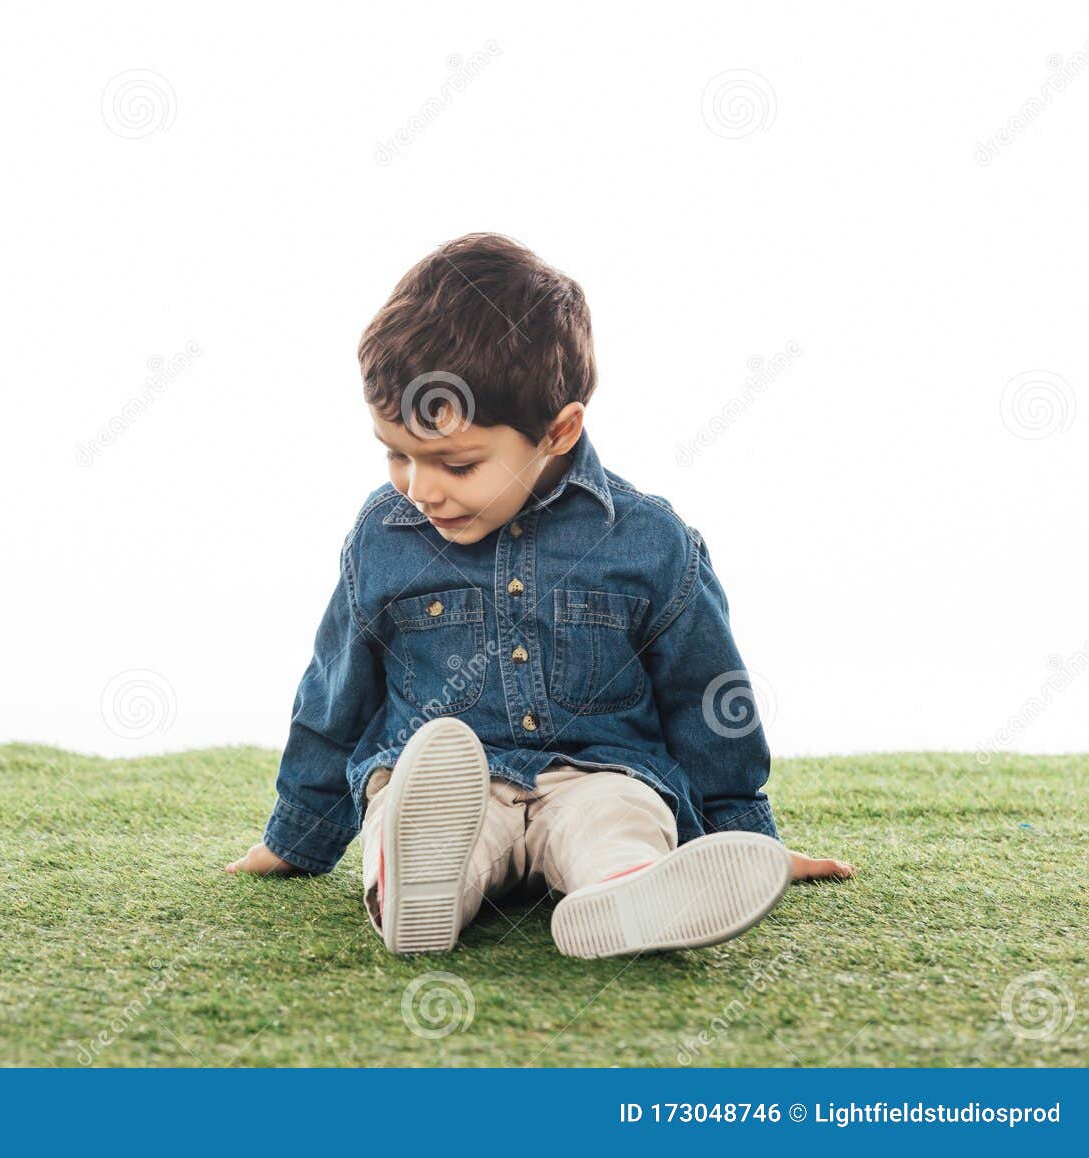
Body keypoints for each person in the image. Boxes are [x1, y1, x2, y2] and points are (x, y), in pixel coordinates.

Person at [224, 232, 853, 957]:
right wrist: (297, 837)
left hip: (598, 773)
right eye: (397, 454)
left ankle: (630, 890)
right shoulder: (384, 536)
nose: (421, 489)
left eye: (456, 464)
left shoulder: (647, 541)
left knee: (619, 818)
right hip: (448, 784)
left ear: (558, 431)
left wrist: (746, 837)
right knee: (412, 808)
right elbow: (336, 693)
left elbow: (705, 696)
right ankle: (414, 887)